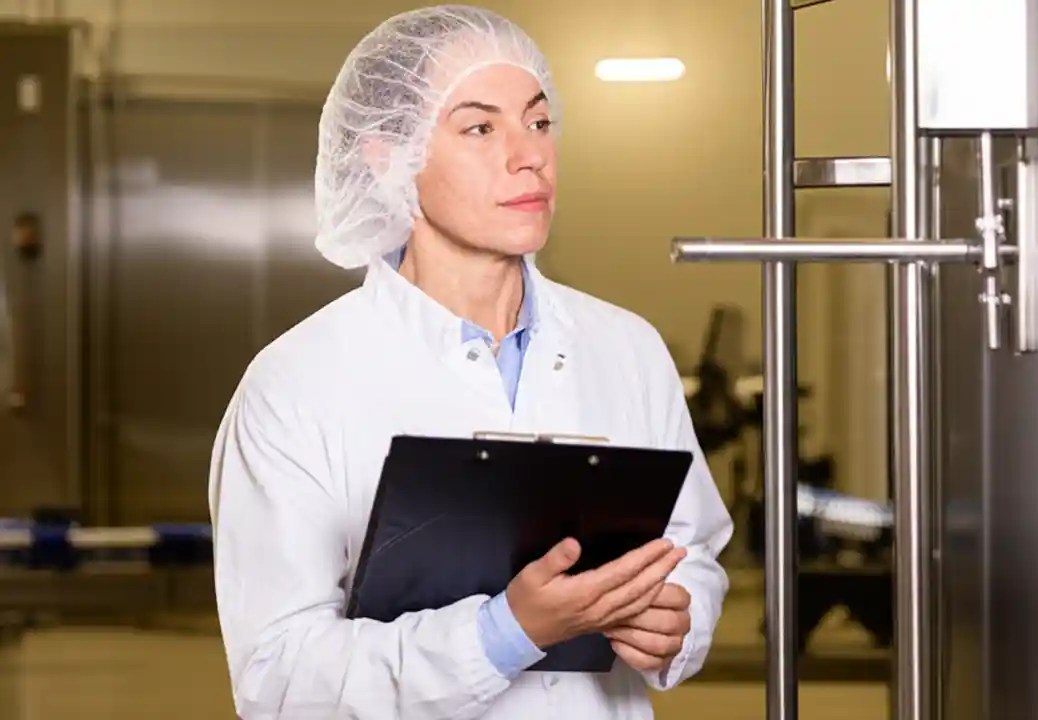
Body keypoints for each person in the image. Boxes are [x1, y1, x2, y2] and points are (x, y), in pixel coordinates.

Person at [207, 5, 733, 719]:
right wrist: (503, 634)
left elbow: (689, 546)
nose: (529, 155)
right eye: (481, 128)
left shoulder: (626, 348)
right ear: (387, 156)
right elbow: (279, 677)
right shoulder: (297, 384)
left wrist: (677, 622)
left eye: (539, 122)